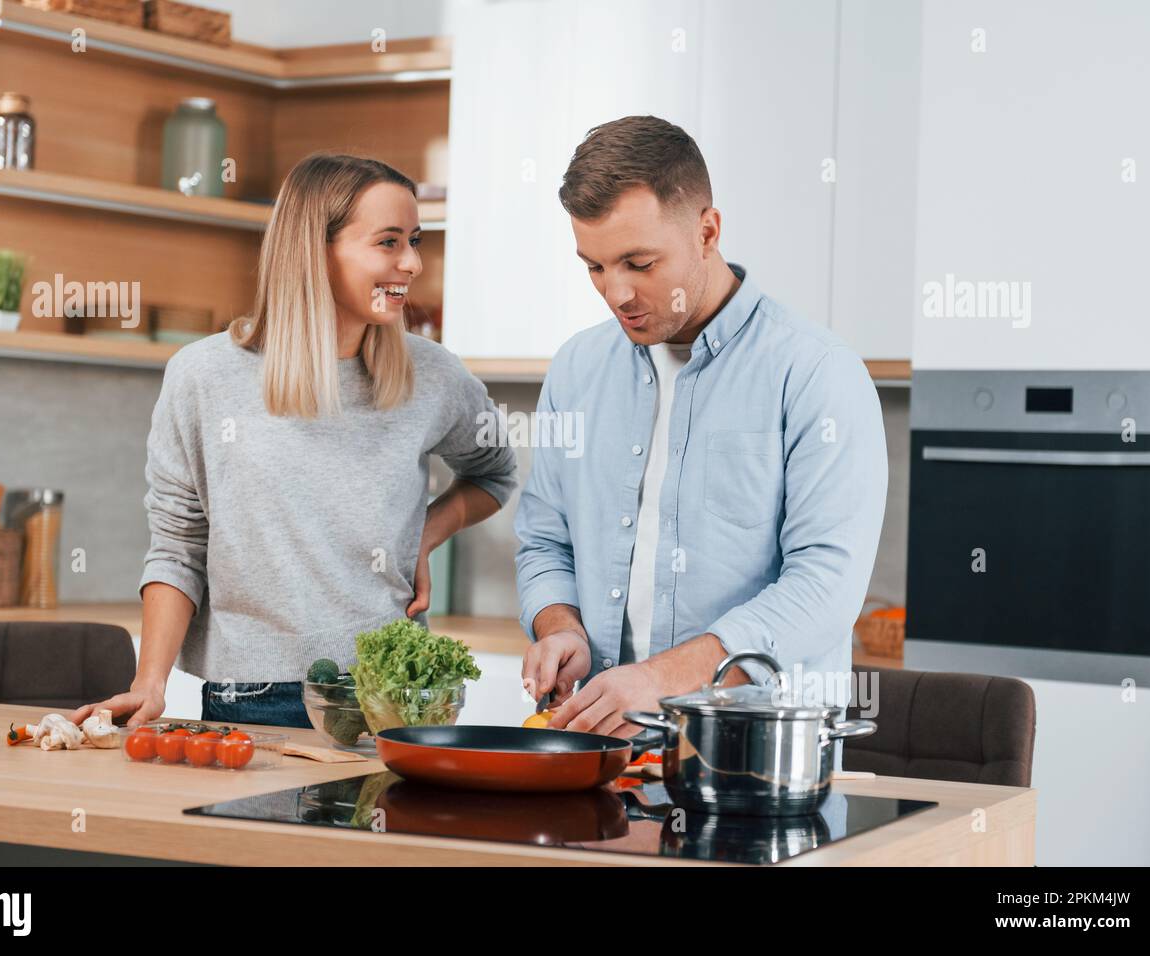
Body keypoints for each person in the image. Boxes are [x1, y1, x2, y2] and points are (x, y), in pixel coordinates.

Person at [71, 154, 517, 730]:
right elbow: (180, 546)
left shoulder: (433, 377)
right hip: (252, 697)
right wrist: (149, 683)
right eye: (388, 242)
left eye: (415, 240)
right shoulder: (204, 376)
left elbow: (495, 472)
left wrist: (423, 537)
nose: (411, 262)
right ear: (315, 250)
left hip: (392, 696)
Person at [515, 116, 887, 756]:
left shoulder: (815, 372)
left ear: (707, 231)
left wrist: (657, 682)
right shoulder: (577, 369)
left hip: (759, 767)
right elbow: (544, 539)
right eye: (595, 267)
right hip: (606, 756)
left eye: (639, 262)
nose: (616, 292)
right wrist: (560, 625)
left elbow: (825, 584)